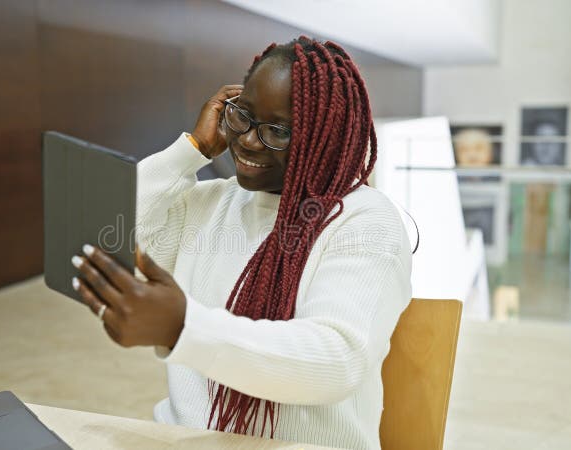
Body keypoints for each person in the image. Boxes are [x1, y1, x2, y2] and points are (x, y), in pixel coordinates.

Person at [69, 36, 412, 450]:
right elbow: (100, 233)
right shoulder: (212, 201)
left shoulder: (364, 220)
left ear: (326, 137)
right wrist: (191, 151)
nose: (249, 140)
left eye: (278, 130)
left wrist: (184, 327)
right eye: (243, 116)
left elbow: (335, 359)